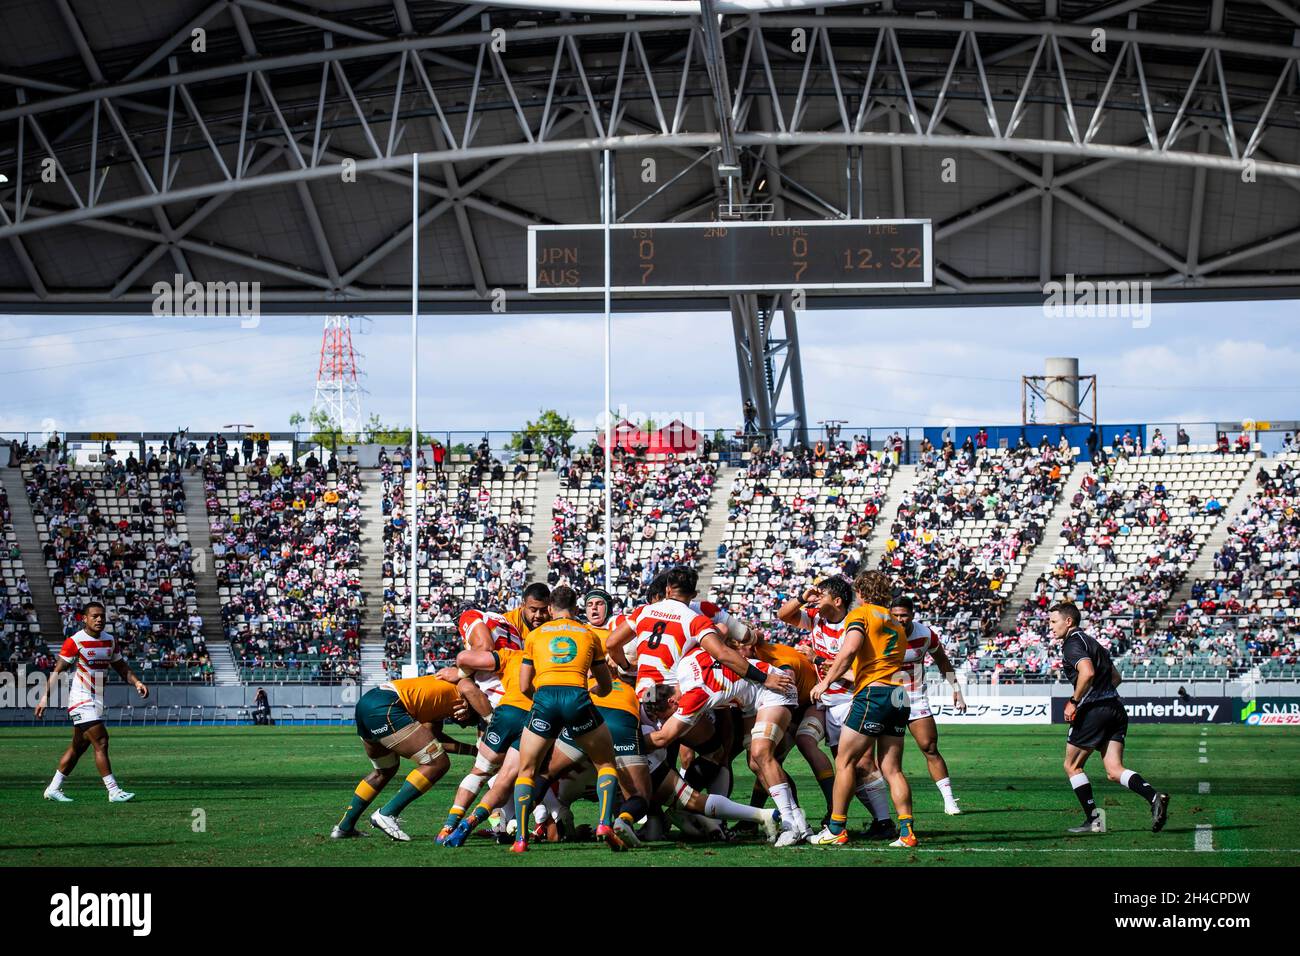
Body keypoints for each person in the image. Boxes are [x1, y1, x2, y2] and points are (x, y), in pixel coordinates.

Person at [510, 586, 627, 853]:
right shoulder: (588, 634)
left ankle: (520, 839)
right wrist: (595, 691)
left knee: (527, 769)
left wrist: (541, 705)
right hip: (577, 698)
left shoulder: (536, 635)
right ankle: (603, 823)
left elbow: (525, 685)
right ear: (576, 609)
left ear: (550, 608)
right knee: (606, 762)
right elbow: (606, 686)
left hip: (546, 700)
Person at [807, 571, 915, 847]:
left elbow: (849, 650)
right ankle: (906, 833)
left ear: (860, 593)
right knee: (892, 769)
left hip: (874, 693)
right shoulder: (897, 623)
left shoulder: (861, 615)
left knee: (845, 762)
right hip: (899, 695)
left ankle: (836, 829)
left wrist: (826, 682)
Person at [1049, 602, 1169, 835]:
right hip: (1115, 708)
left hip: (1094, 711)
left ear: (1068, 621)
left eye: (1053, 622)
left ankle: (1094, 820)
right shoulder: (1093, 643)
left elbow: (1088, 672)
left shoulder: (1072, 644)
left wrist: (1075, 701)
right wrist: (1101, 695)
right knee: (1114, 770)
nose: (1051, 627)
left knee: (1072, 765)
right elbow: (1115, 677)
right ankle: (1154, 797)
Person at [332, 670, 481, 841]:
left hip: (369, 701)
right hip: (387, 706)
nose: (464, 726)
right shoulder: (464, 692)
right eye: (470, 722)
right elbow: (433, 740)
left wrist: (472, 751)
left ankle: (344, 827)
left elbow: (431, 737)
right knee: (437, 763)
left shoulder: (439, 697)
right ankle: (387, 813)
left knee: (384, 771)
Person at [36, 602, 149, 802]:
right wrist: (45, 697)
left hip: (96, 700)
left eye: (102, 616)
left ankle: (53, 788)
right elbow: (57, 671)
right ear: (84, 619)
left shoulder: (110, 641)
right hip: (80, 699)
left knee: (77, 748)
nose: (99, 619)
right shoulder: (75, 641)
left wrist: (137, 682)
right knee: (102, 741)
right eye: (95, 616)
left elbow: (122, 668)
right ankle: (113, 791)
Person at [890, 596, 965, 815]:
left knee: (929, 747)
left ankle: (949, 800)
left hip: (914, 697)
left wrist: (956, 689)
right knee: (884, 757)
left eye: (903, 615)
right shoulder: (882, 632)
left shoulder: (925, 634)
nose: (899, 619)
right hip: (886, 696)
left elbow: (942, 661)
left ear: (912, 615)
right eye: (895, 615)